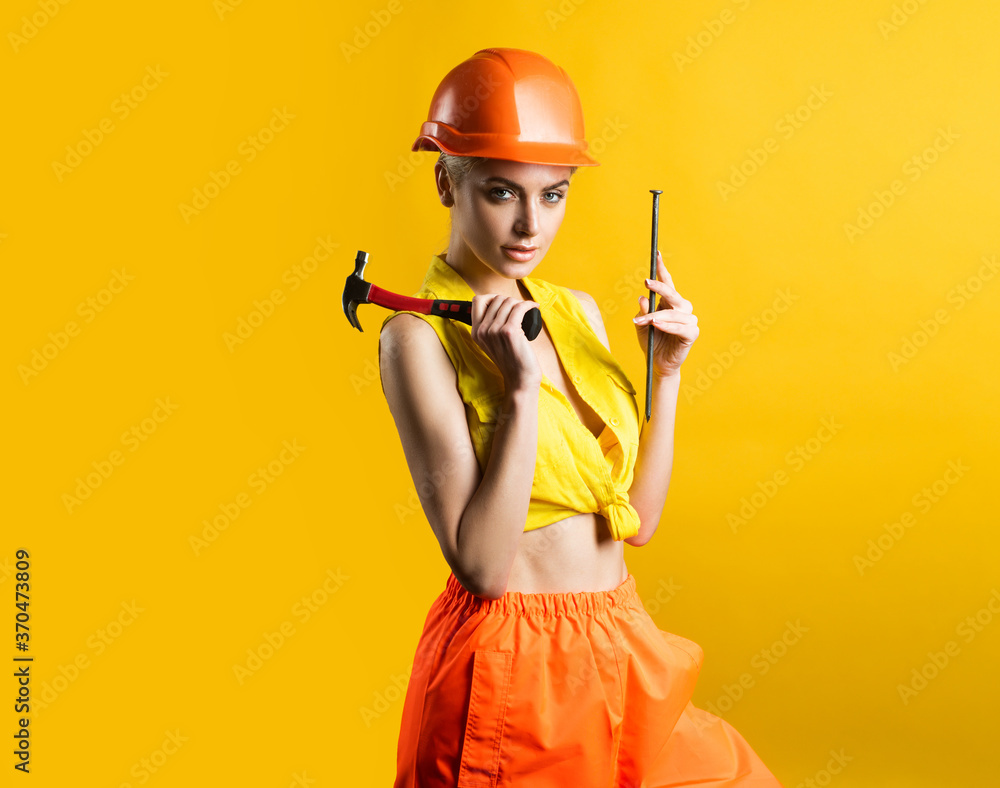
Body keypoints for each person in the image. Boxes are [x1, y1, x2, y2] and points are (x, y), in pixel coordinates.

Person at [378, 47, 783, 788]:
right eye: (503, 192)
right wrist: (521, 391)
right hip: (512, 667)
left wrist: (665, 374)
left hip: (620, 640)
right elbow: (483, 566)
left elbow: (638, 519)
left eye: (555, 194)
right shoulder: (416, 341)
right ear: (447, 181)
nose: (532, 223)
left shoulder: (577, 313)